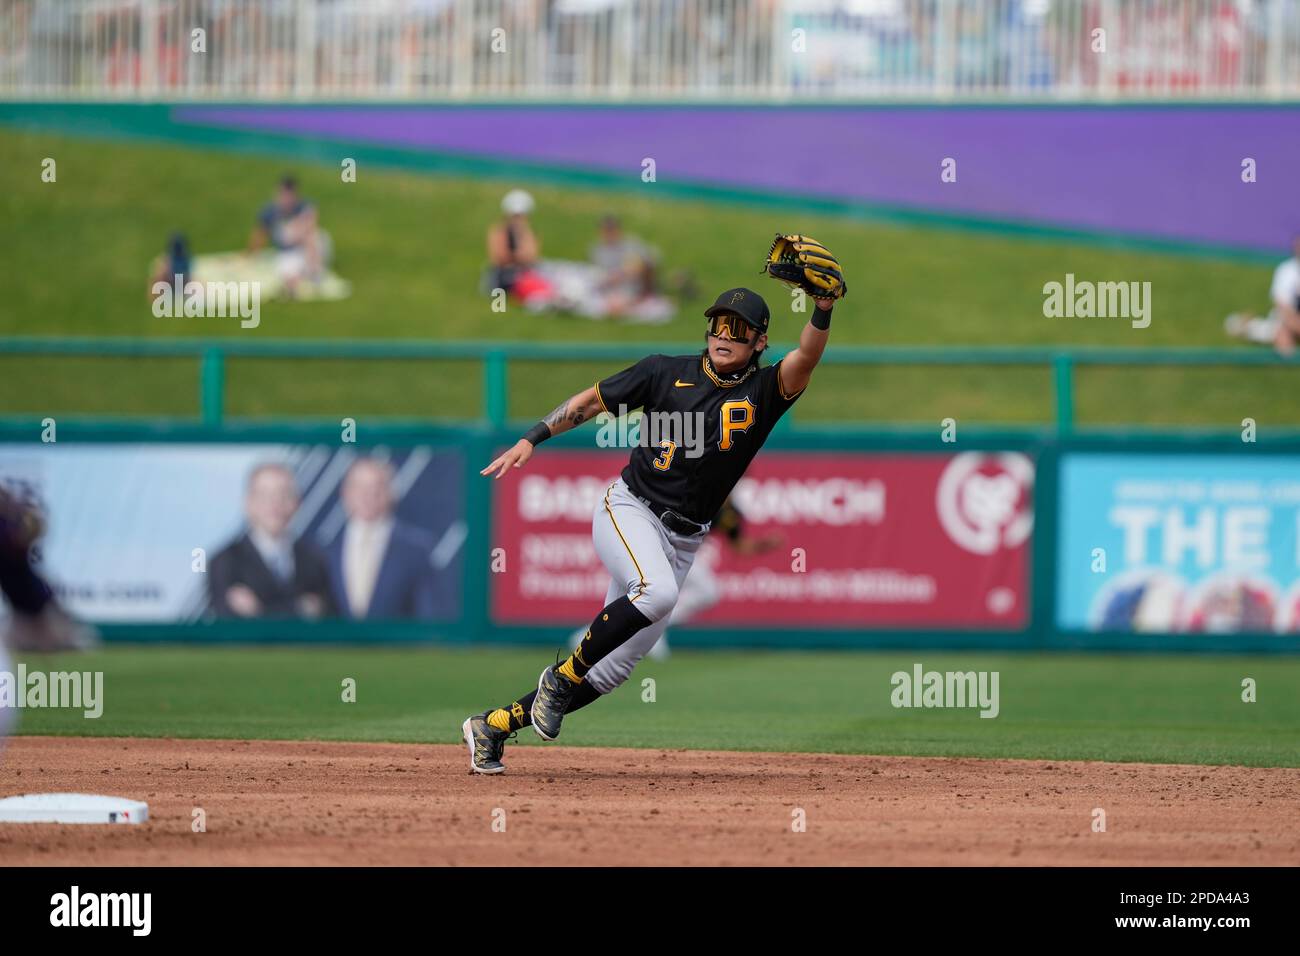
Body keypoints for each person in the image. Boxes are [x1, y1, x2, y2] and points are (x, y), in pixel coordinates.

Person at [461, 235, 845, 774]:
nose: (723, 335)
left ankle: (492, 727)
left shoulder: (764, 391)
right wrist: (534, 435)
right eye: (717, 324)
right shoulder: (664, 370)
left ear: (760, 342)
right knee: (657, 593)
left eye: (738, 329)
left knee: (613, 671)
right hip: (630, 511)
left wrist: (823, 308)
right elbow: (593, 401)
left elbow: (806, 355)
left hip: (685, 538)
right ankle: (561, 677)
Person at [567, 494, 781, 660]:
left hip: (685, 556)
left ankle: (638, 631)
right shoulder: (700, 491)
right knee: (646, 595)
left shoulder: (730, 511)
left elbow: (738, 545)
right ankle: (594, 636)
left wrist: (764, 545)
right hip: (660, 545)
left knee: (697, 593)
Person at [208, 463, 335, 619]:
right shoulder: (225, 561)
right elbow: (225, 620)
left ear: (296, 502)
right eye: (265, 495)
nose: (275, 503)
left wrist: (257, 610)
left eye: (284, 494)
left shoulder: (315, 559)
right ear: (248, 502)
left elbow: (328, 618)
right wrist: (299, 609)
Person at [327, 458, 438, 619]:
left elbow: (429, 613)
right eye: (359, 487)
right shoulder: (324, 551)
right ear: (345, 492)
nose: (368, 495)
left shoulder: (417, 549)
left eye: (377, 486)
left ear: (391, 492)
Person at [248, 174, 332, 295]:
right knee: (288, 269)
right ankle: (297, 281)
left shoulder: (305, 207)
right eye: (282, 194)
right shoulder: (270, 211)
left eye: (288, 195)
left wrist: (297, 232)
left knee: (313, 238)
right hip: (289, 253)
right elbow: (260, 234)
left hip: (308, 250)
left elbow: (310, 227)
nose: (285, 198)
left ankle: (313, 273)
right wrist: (251, 255)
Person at [583, 215, 671, 323]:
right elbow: (599, 273)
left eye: (612, 229)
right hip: (610, 286)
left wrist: (633, 268)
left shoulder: (632, 244)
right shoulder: (596, 249)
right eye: (606, 230)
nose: (609, 233)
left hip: (633, 285)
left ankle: (645, 298)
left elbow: (653, 258)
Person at [1225, 233, 1300, 357]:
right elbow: (1284, 309)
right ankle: (1245, 327)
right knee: (1284, 344)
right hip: (1286, 319)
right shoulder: (1286, 271)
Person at [486, 189, 552, 307]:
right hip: (503, 277)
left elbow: (531, 257)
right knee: (501, 299)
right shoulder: (499, 231)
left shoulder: (528, 233)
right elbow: (500, 258)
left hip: (523, 275)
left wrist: (522, 233)